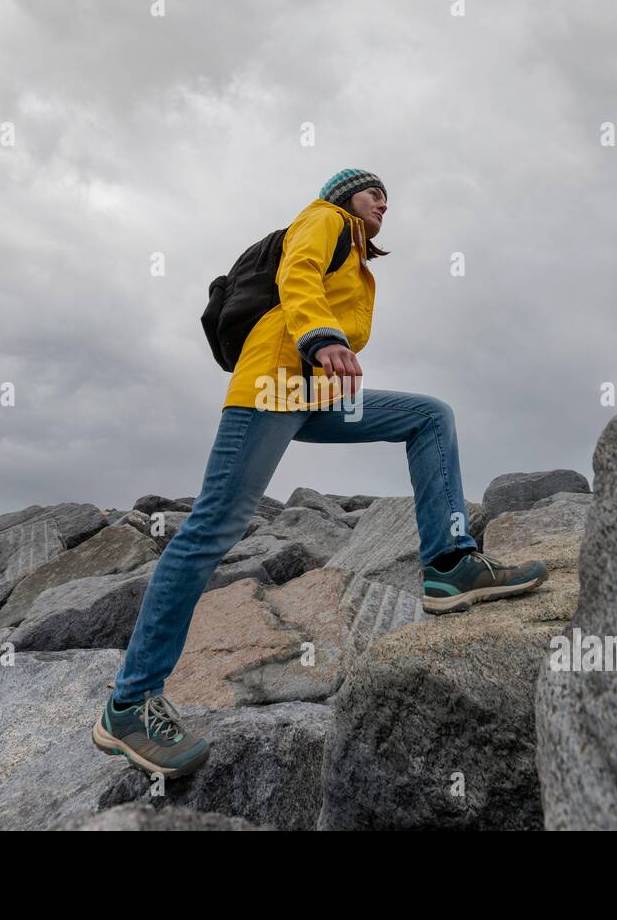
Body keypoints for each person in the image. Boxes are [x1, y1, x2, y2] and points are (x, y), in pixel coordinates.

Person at [92, 168, 548, 778]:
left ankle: (449, 565)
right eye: (372, 192)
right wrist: (321, 335)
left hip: (308, 392)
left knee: (428, 416)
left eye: (389, 197)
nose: (384, 202)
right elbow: (296, 273)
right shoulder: (324, 219)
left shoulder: (359, 259)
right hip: (277, 379)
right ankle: (129, 704)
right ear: (343, 196)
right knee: (212, 530)